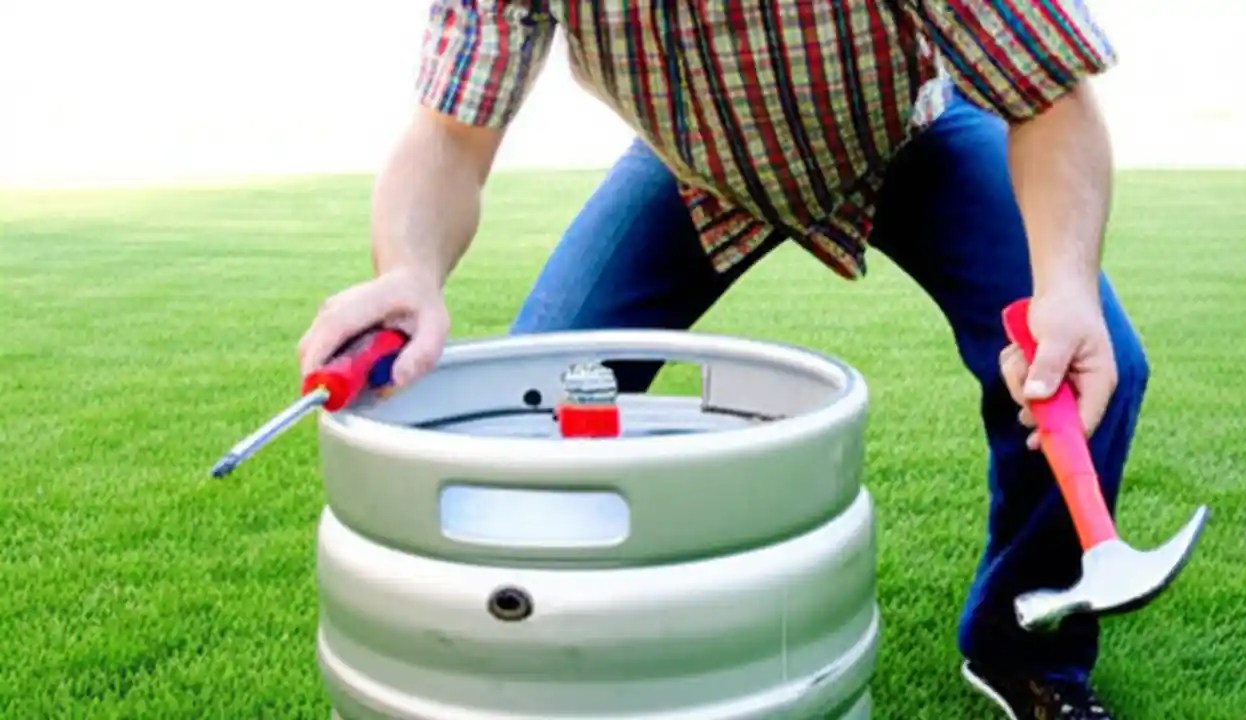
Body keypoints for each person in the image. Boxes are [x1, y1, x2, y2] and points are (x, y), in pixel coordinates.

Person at [297, 3, 1150, 718]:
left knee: (1086, 360)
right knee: (535, 410)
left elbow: (1048, 94)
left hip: (910, 134)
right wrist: (408, 267)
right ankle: (549, 639)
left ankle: (1023, 646)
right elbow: (449, 133)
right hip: (692, 170)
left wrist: (1064, 283)